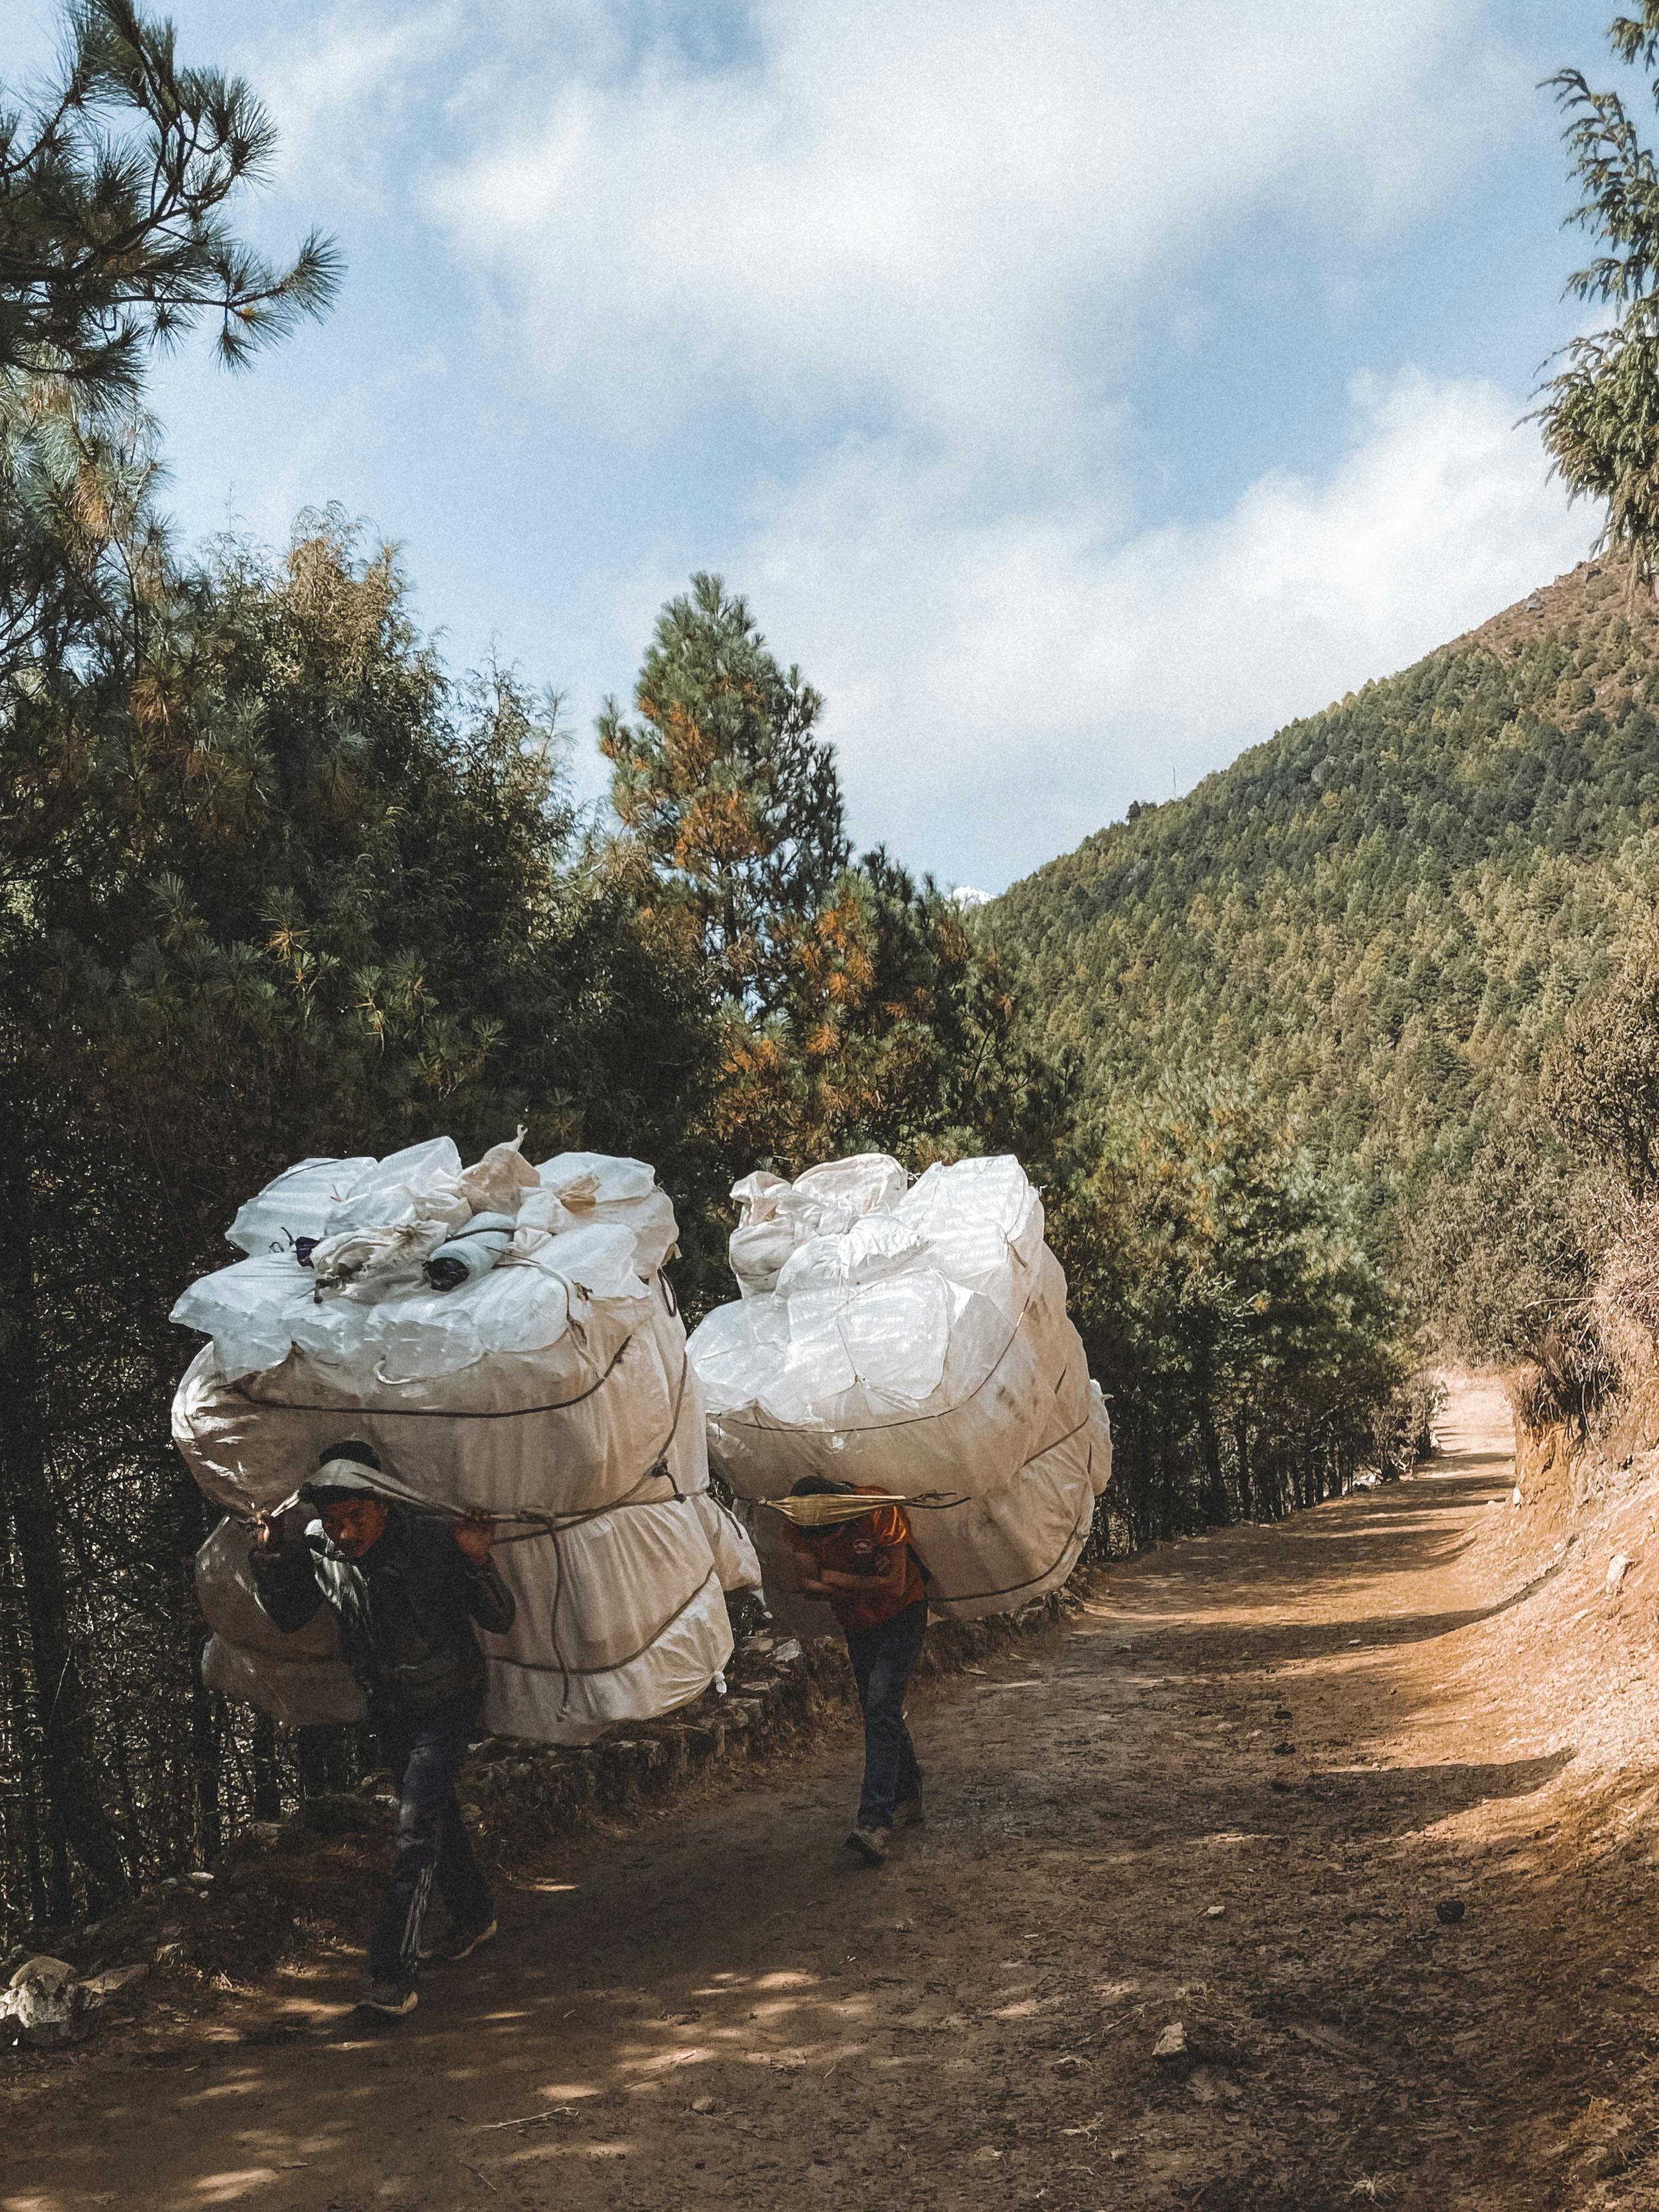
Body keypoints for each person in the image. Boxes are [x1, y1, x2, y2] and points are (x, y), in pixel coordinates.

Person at [249, 1440, 515, 2018]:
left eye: (357, 1518)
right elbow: (290, 1617)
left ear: (384, 1506)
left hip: (448, 1697)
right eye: (334, 1519)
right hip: (390, 1706)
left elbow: (500, 1617)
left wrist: (476, 1560)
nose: (345, 1533)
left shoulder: (428, 1542)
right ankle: (474, 1916)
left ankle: (392, 1973)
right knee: (433, 1808)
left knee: (416, 1829)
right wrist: (270, 1556)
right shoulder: (320, 1548)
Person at [783, 1476, 929, 1866]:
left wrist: (833, 1578)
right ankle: (909, 1788)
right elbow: (808, 1582)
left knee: (881, 1706)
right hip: (858, 1624)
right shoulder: (799, 1520)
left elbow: (896, 1585)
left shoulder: (879, 1509)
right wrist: (868, 1582)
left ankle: (874, 1824)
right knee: (877, 1708)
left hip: (902, 1616)